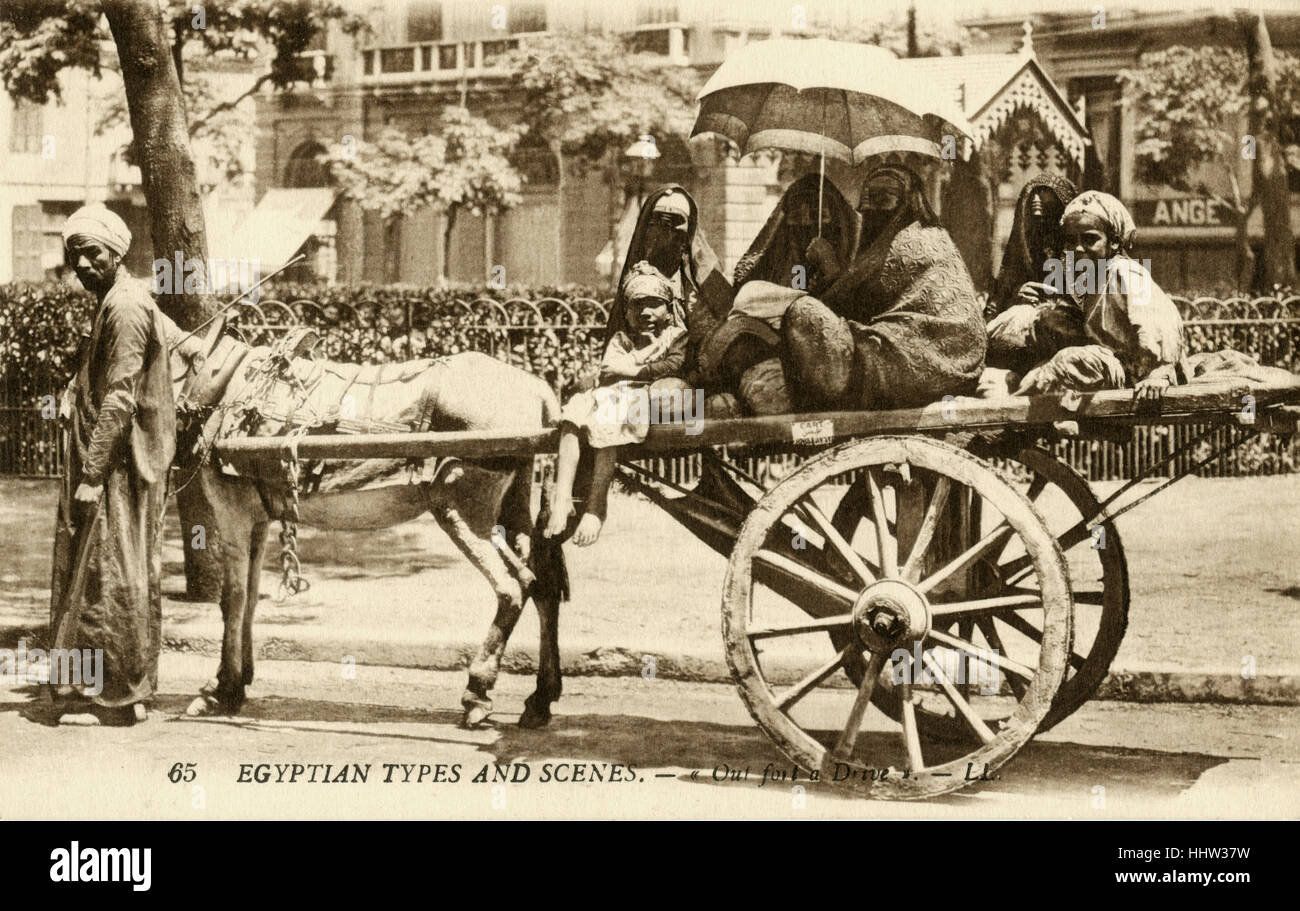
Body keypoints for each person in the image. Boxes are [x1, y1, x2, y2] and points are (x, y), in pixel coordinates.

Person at [44, 205, 177, 726]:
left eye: (92, 253)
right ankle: (114, 691)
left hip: (118, 467)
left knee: (110, 575)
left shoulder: (123, 306)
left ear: (116, 253)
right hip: (110, 463)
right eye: (74, 254)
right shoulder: (115, 300)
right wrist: (74, 388)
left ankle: (115, 700)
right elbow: (107, 381)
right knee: (99, 572)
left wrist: (93, 475)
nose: (81, 263)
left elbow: (121, 399)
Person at [779, 162, 987, 411]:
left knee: (803, 312)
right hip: (953, 362)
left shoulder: (908, 242)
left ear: (907, 202)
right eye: (867, 200)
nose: (870, 208)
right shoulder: (930, 235)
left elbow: (855, 302)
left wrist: (829, 266)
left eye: (882, 199)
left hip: (924, 360)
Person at [545, 262, 692, 546]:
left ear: (669, 308)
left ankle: (596, 505)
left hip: (654, 401)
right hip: (616, 398)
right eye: (638, 306)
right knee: (575, 409)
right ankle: (562, 494)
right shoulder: (623, 339)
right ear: (627, 313)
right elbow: (609, 369)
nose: (646, 313)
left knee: (611, 412)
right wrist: (638, 358)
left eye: (654, 304)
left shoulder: (676, 336)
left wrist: (634, 366)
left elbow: (674, 365)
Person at [1000, 190, 1185, 402]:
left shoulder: (1125, 272)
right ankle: (1013, 408)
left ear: (1114, 242)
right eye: (1071, 241)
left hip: (1142, 374)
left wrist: (1160, 373)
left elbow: (1162, 321)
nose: (1078, 248)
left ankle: (1010, 417)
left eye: (1090, 240)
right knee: (1039, 364)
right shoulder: (1091, 277)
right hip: (1112, 368)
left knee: (1067, 362)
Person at [986, 174, 1077, 321]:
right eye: (1035, 220)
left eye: (1050, 215)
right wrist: (1017, 296)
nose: (1042, 227)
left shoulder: (1081, 252)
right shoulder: (1023, 255)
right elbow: (996, 307)